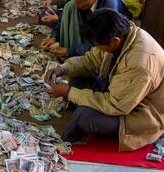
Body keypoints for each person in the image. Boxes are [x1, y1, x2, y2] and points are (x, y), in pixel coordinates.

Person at [46, 9, 163, 152]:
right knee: (77, 75)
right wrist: (63, 68)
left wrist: (70, 92)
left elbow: (115, 105)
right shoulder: (122, 35)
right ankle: (81, 115)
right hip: (122, 92)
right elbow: (91, 61)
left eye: (98, 45)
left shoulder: (139, 64)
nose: (97, 49)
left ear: (115, 41)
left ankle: (82, 126)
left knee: (85, 116)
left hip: (142, 114)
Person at [40, 0, 133, 58]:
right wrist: (54, 37)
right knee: (69, 6)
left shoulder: (109, 7)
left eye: (79, 2)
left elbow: (98, 41)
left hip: (109, 43)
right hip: (95, 35)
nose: (77, 5)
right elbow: (63, 18)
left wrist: (70, 51)